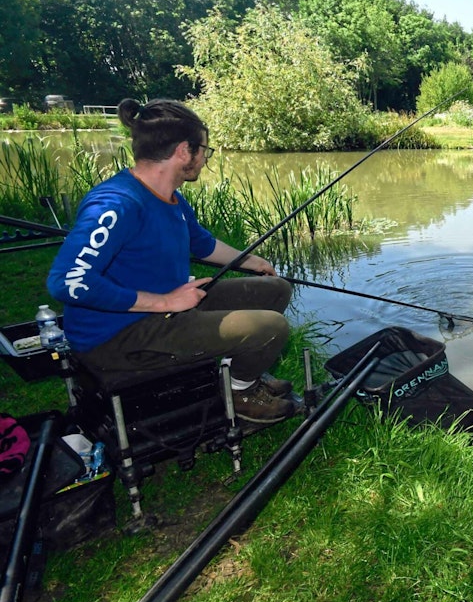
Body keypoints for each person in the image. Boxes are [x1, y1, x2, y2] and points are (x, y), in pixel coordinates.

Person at [46, 98, 295, 424]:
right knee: (272, 328)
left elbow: (202, 244)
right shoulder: (117, 204)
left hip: (169, 308)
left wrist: (252, 261)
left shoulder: (171, 198)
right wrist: (164, 300)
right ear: (183, 150)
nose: (206, 158)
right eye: (204, 149)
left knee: (275, 289)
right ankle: (239, 390)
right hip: (118, 337)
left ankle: (241, 374)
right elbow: (66, 281)